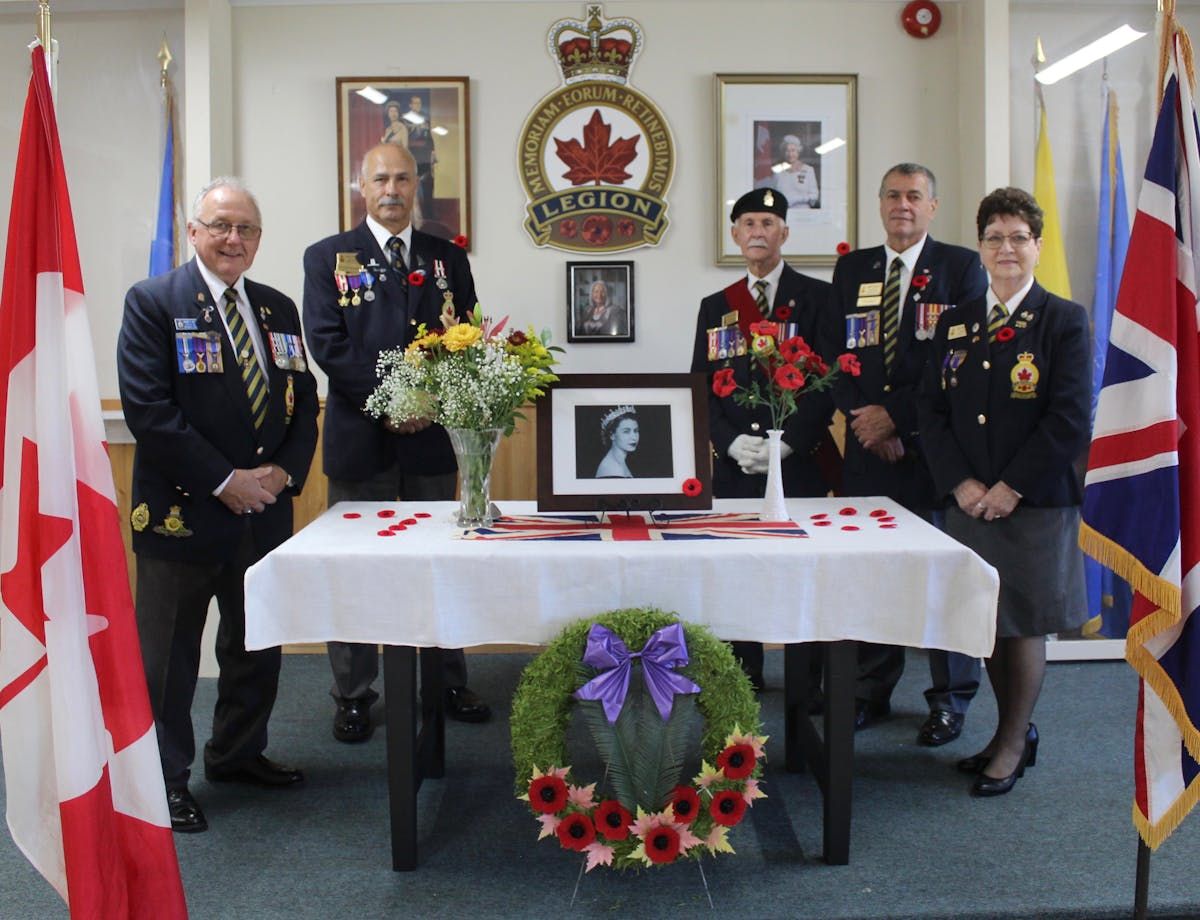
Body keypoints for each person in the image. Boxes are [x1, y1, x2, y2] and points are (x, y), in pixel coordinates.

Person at [117, 177, 319, 833]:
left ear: (258, 239)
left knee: (254, 642)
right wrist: (224, 479)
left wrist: (283, 474)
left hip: (264, 510)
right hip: (183, 514)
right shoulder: (154, 302)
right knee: (169, 660)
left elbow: (302, 404)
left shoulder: (277, 308)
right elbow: (150, 410)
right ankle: (163, 782)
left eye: (247, 228)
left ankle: (236, 754)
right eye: (221, 226)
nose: (234, 239)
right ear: (194, 232)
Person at [303, 142, 491, 740]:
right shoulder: (327, 257)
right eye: (380, 179)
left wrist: (425, 403)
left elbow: (467, 335)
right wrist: (392, 404)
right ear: (361, 187)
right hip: (362, 438)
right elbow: (328, 344)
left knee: (442, 560)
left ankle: (446, 680)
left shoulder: (447, 257)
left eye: (402, 179)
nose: (392, 189)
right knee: (354, 567)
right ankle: (353, 693)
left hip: (432, 439)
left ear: (417, 185)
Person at [919, 187, 1090, 795]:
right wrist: (961, 484)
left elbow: (1069, 417)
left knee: (1024, 624)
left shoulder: (1064, 320)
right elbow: (931, 413)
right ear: (981, 247)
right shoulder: (956, 322)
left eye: (1019, 237)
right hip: (970, 503)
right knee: (990, 621)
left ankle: (1014, 742)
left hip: (1033, 503)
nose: (1006, 248)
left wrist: (1010, 487)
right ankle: (1006, 733)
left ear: (1037, 246)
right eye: (994, 237)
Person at [822, 163, 987, 739]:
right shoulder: (853, 269)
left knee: (941, 579)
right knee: (872, 573)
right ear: (879, 203)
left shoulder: (961, 268)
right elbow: (833, 353)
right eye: (893, 194)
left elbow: (959, 362)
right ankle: (871, 692)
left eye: (914, 196)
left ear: (932, 206)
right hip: (867, 452)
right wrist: (865, 420)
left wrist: (897, 418)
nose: (903, 205)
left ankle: (950, 700)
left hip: (934, 455)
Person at [691, 186, 835, 691]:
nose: (758, 232)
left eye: (768, 224)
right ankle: (742, 677)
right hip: (736, 466)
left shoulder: (819, 298)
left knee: (803, 573)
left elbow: (827, 383)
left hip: (798, 463)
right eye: (749, 223)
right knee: (738, 573)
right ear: (735, 234)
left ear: (785, 233)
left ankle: (807, 682)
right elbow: (700, 387)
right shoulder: (716, 307)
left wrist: (787, 442)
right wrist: (728, 442)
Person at [403, 95, 436, 214]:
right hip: (412, 157)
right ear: (410, 105)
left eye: (419, 103)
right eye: (415, 103)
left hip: (425, 157)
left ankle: (428, 212)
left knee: (428, 184)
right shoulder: (404, 120)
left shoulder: (425, 120)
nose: (417, 105)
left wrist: (433, 153)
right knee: (412, 186)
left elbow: (430, 138)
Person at [772, 134, 819, 210]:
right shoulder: (778, 172)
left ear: (798, 151)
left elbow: (814, 196)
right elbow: (773, 195)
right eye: (787, 151)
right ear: (783, 152)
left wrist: (796, 199)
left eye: (793, 150)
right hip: (784, 212)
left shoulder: (808, 170)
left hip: (803, 213)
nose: (790, 154)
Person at [595, 406, 639, 477]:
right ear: (612, 435)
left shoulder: (619, 461)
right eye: (626, 431)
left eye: (635, 431)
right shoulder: (613, 469)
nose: (634, 437)